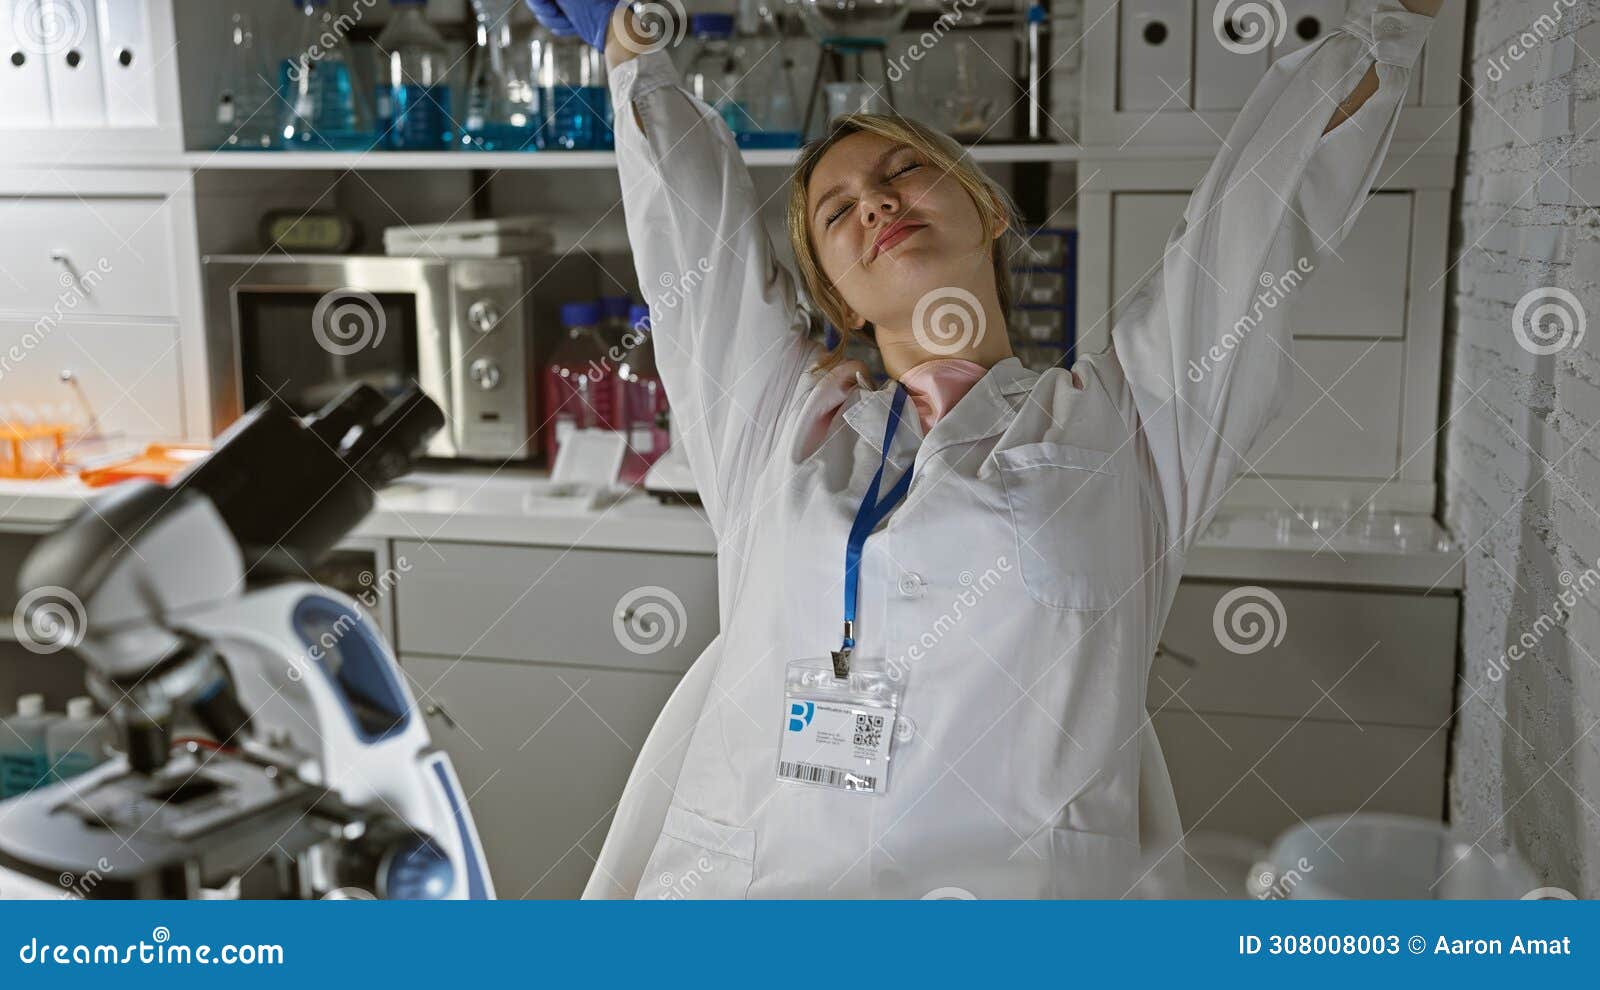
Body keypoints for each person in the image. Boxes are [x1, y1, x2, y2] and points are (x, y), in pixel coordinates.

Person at [525, 0, 1442, 898]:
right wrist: (628, 41)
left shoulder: (1129, 420)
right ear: (839, 302)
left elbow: (1254, 220)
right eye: (838, 211)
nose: (877, 200)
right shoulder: (779, 430)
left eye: (906, 170)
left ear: (990, 210)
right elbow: (698, 248)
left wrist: (1390, 20)